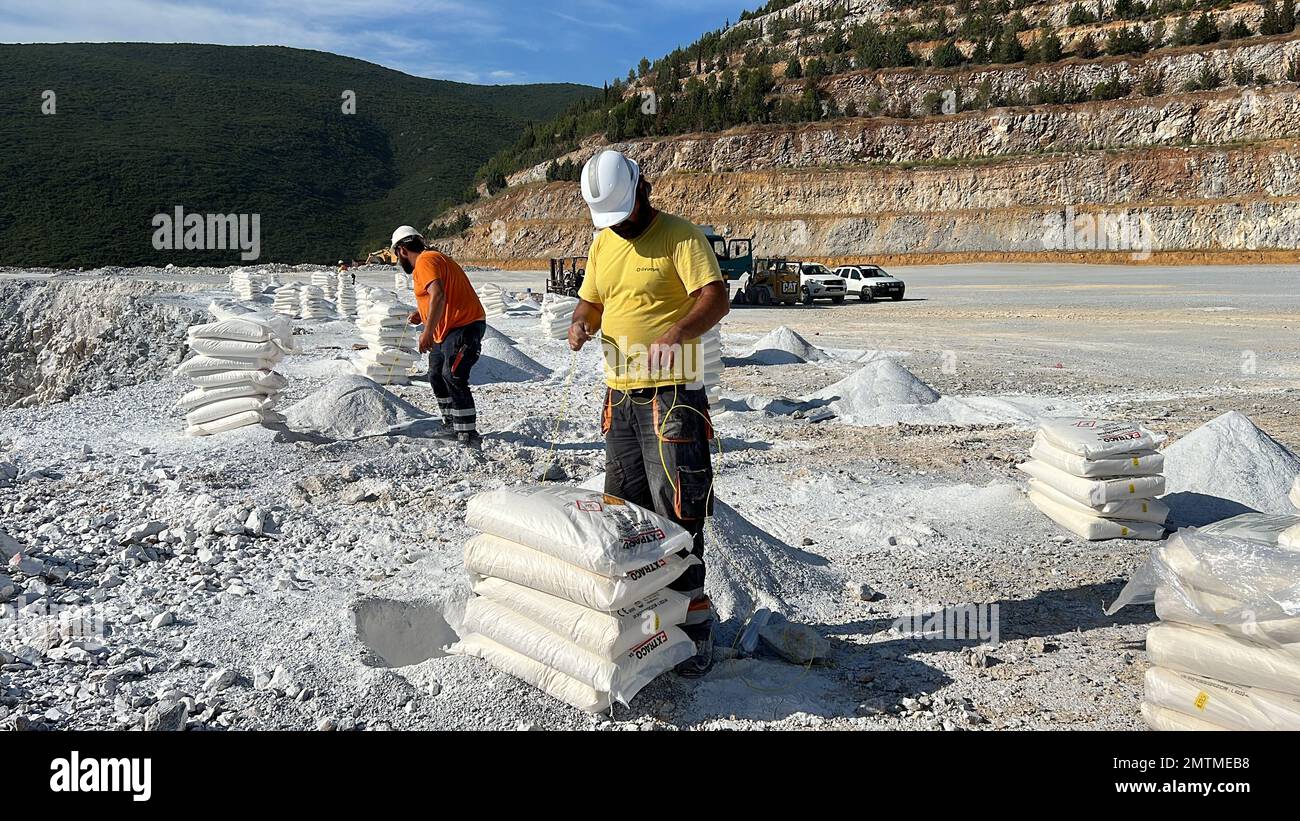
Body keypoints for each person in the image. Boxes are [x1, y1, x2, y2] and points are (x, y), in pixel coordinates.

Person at [568, 150, 729, 677]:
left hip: (671, 397)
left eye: (624, 212)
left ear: (642, 188)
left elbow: (716, 297)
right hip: (620, 396)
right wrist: (580, 321)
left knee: (678, 510)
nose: (620, 225)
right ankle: (649, 626)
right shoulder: (602, 242)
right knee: (627, 513)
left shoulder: (681, 237)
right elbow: (592, 301)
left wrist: (679, 331)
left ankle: (695, 626)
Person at [390, 226, 487, 447]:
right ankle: (450, 422)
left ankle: (467, 433)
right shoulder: (434, 259)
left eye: (397, 255)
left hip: (464, 326)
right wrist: (421, 314)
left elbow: (439, 294)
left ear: (402, 250)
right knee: (435, 374)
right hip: (447, 330)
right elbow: (438, 296)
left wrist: (426, 333)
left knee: (452, 373)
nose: (398, 260)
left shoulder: (425, 260)